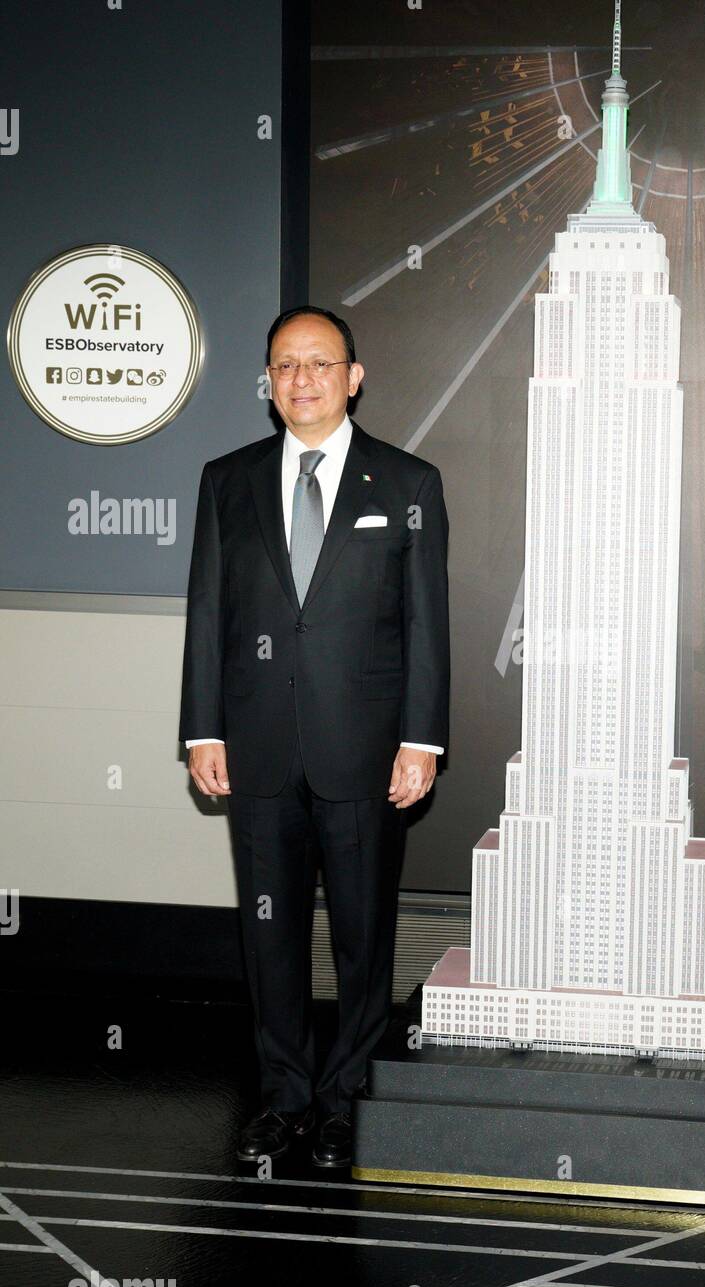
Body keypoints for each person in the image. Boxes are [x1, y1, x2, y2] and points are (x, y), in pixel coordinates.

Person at [178, 305, 449, 1167]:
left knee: (364, 937)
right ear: (268, 380)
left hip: (366, 753)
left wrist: (422, 739)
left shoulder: (406, 484)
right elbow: (207, 614)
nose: (301, 379)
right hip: (254, 751)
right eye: (284, 365)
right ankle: (284, 1098)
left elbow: (427, 625)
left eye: (319, 363)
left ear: (353, 376)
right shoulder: (229, 479)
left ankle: (344, 1102)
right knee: (270, 937)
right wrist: (201, 729)